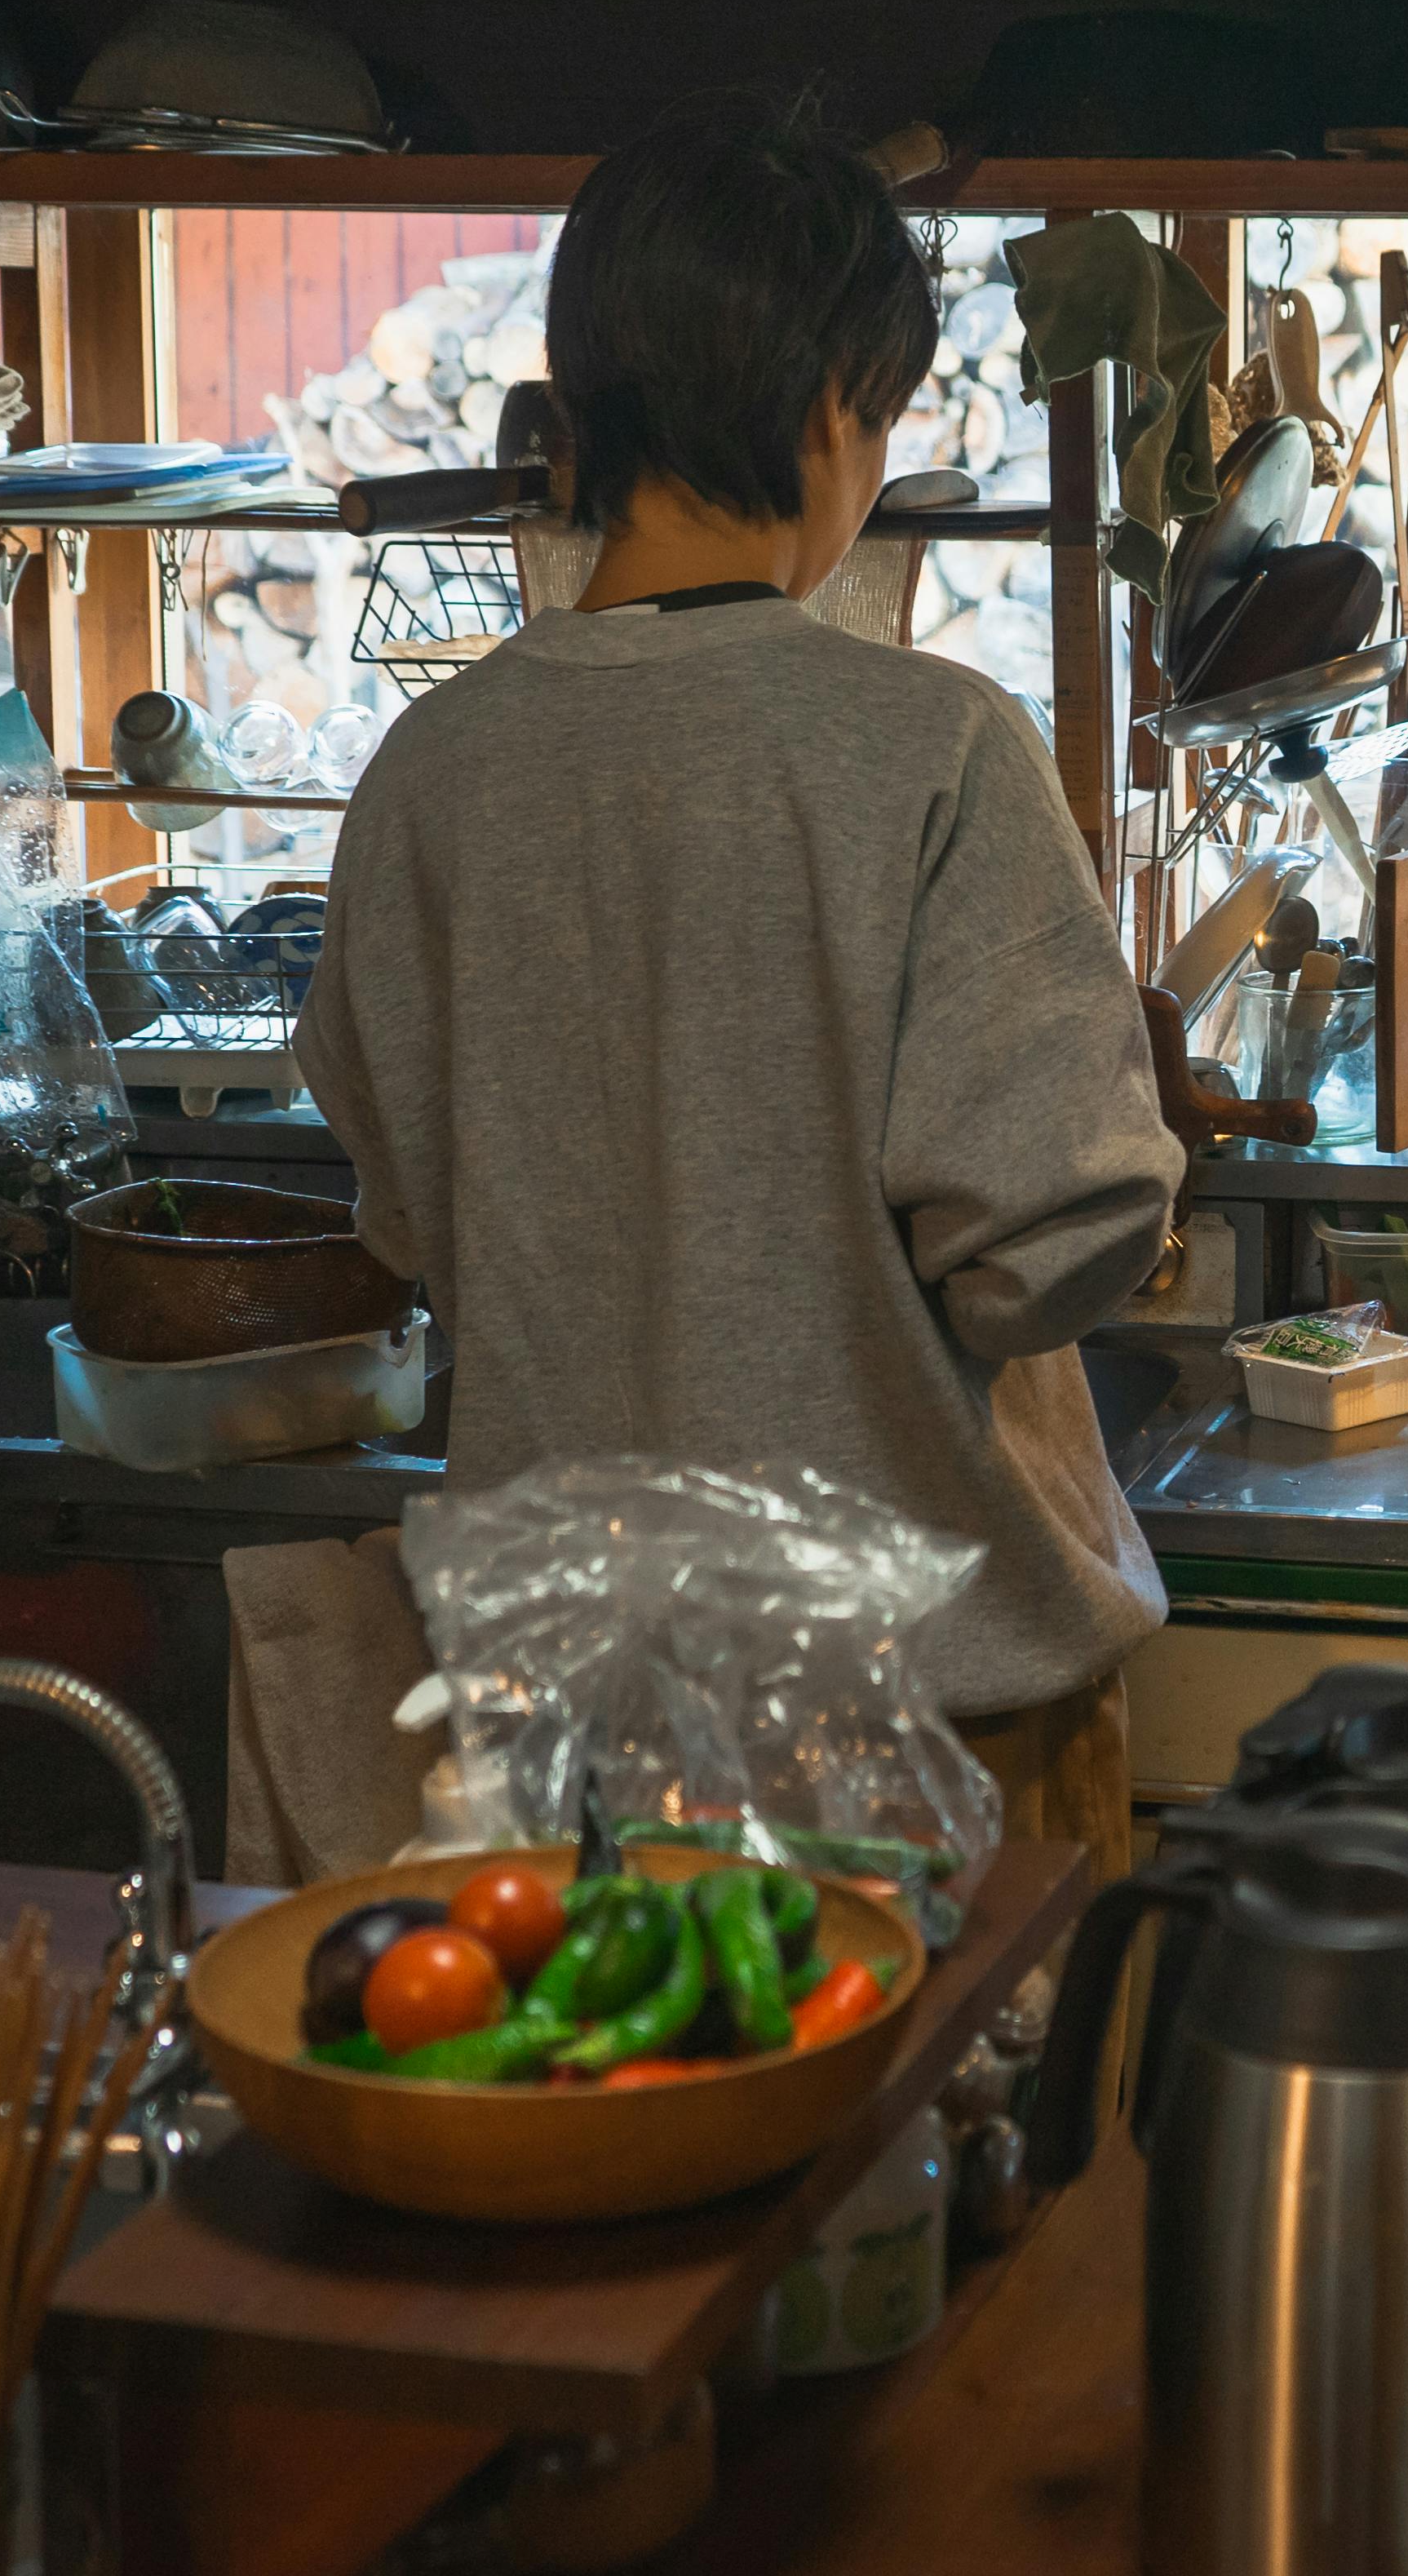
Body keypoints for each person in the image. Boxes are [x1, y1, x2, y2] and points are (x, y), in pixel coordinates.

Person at [298, 97, 1180, 1869]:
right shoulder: (929, 746)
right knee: (954, 2147)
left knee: (615, 2147)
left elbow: (402, 1211)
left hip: (571, 1754)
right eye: (888, 409)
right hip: (922, 1737)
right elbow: (1051, 1241)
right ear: (828, 403)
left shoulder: (429, 773)